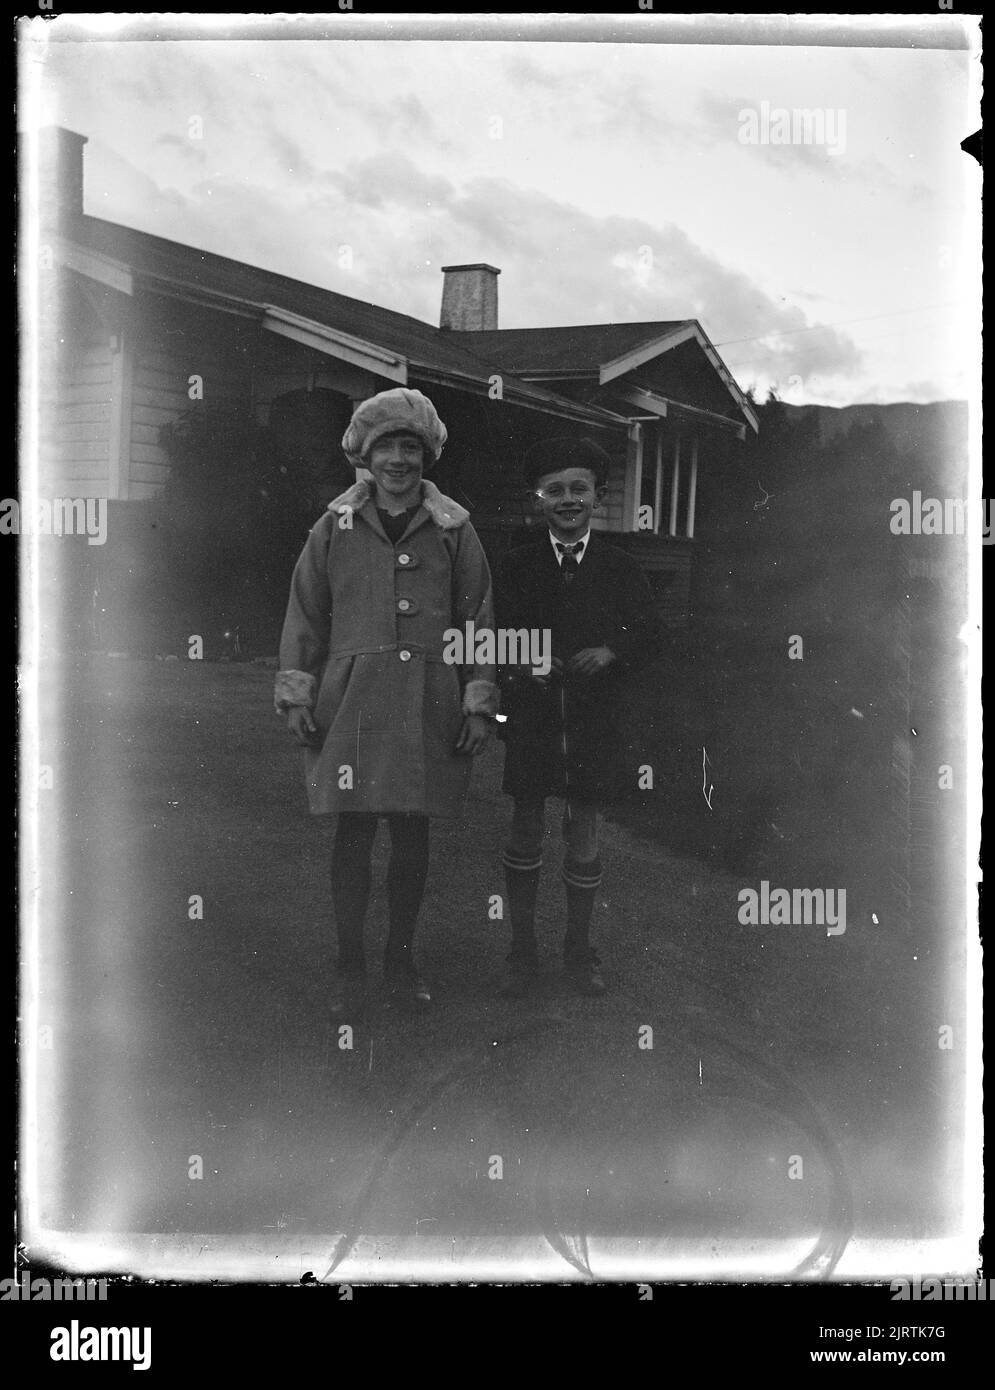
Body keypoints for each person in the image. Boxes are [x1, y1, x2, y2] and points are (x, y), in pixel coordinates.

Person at [274, 387, 498, 1013]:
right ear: (364, 455)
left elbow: (478, 617)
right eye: (386, 448)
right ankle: (350, 965)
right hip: (353, 701)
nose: (399, 460)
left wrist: (479, 702)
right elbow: (306, 614)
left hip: (429, 699)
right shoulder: (333, 526)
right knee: (354, 830)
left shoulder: (455, 529)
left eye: (410, 447)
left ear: (427, 456)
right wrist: (298, 692)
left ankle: (401, 962)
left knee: (411, 833)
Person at [493, 437, 662, 998]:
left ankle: (579, 949)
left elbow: (652, 634)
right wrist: (522, 665)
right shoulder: (516, 564)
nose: (568, 500)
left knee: (585, 826)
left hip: (595, 721)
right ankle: (522, 951)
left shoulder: (620, 566)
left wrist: (613, 650)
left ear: (598, 497)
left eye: (579, 489)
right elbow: (489, 636)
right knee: (526, 822)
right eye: (555, 489)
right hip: (534, 718)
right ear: (537, 498)